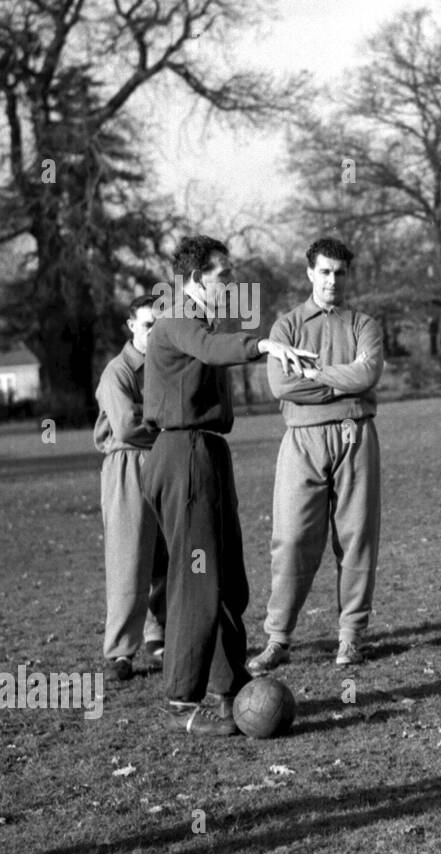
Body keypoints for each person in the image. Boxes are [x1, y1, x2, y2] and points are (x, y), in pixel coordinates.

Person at [143, 235, 316, 736]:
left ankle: (227, 686)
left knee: (228, 578)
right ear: (197, 279)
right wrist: (264, 343)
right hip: (183, 455)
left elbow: (212, 346)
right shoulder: (178, 319)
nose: (231, 280)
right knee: (196, 581)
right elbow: (210, 350)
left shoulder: (202, 321)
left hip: (208, 452)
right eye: (223, 273)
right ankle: (181, 700)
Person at [248, 238, 383, 674]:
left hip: (355, 435)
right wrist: (341, 382)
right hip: (301, 440)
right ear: (309, 273)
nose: (332, 280)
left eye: (340, 273)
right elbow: (282, 386)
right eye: (324, 271)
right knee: (290, 540)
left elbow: (367, 374)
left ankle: (350, 638)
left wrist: (313, 373)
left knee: (355, 538)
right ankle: (278, 638)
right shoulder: (285, 327)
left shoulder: (364, 325)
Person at [94, 295, 167, 682]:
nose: (154, 333)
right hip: (127, 465)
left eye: (160, 325)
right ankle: (120, 652)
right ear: (132, 326)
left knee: (167, 555)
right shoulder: (117, 372)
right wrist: (170, 421)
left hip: (164, 461)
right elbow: (127, 427)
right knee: (129, 559)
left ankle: (159, 638)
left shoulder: (166, 365)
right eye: (148, 326)